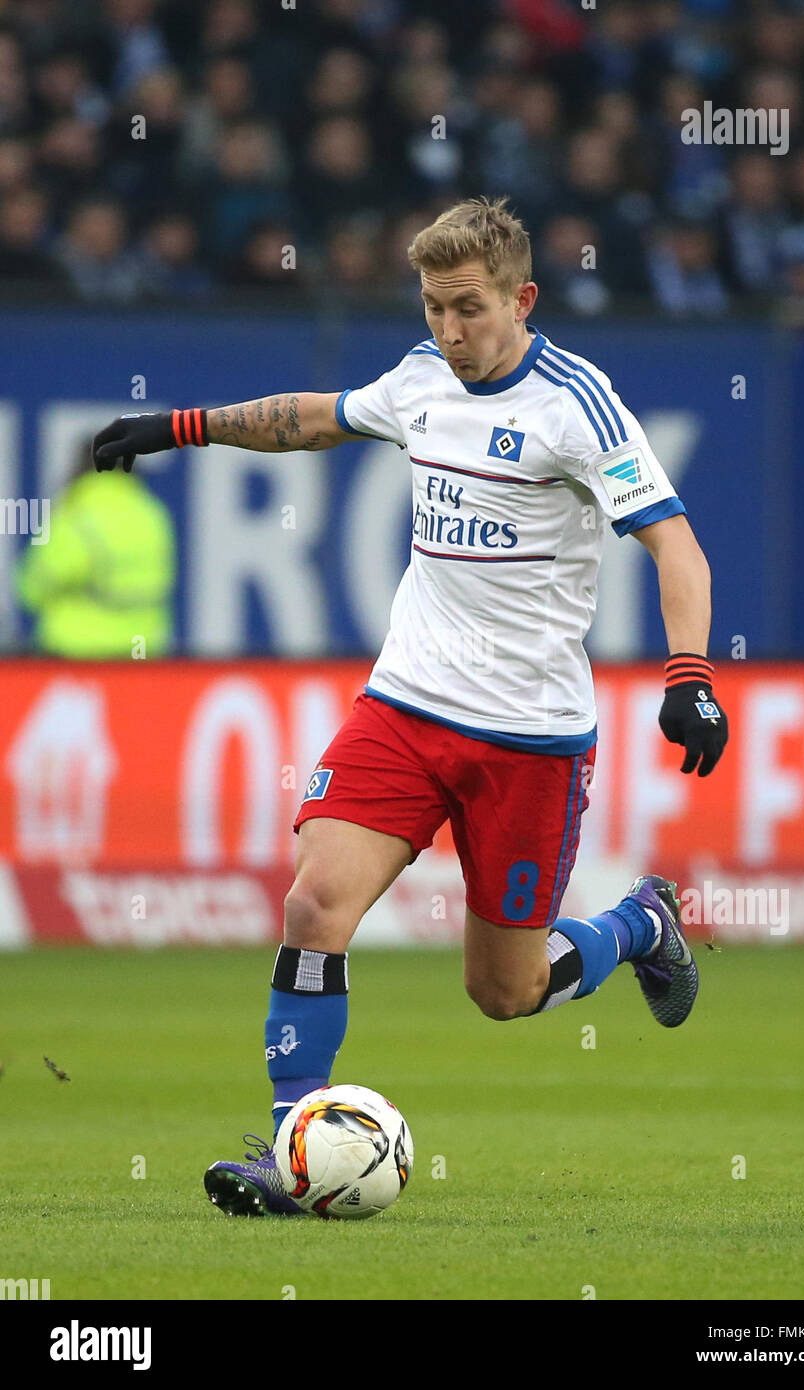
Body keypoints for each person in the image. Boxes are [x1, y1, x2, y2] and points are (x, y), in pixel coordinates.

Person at [92, 196, 728, 1217]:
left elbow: (674, 544)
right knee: (312, 905)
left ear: (520, 298)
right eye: (432, 306)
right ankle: (293, 1147)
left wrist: (688, 674)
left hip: (527, 738)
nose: (447, 329)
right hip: (404, 704)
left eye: (468, 308)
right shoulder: (421, 378)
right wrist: (181, 428)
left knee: (504, 993)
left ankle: (638, 922)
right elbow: (312, 420)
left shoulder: (578, 404)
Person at [18, 440, 175, 658]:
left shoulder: (75, 514)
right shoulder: (152, 514)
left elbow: (32, 589)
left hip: (76, 654)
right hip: (142, 652)